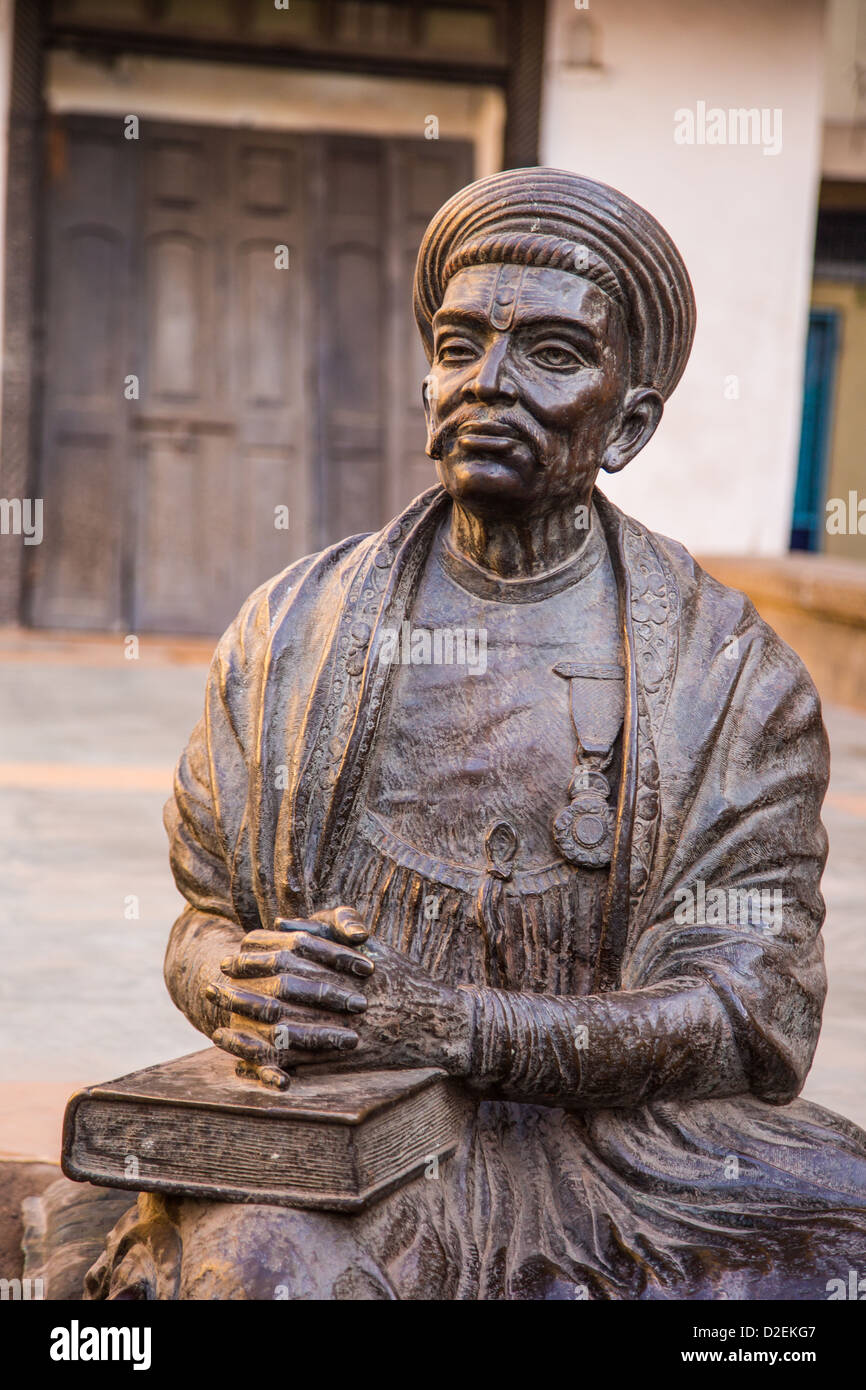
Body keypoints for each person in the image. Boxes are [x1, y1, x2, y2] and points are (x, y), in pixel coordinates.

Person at [88, 168, 866, 1301]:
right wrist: (231, 983)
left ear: (630, 422)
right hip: (342, 1138)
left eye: (551, 355)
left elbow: (754, 1015)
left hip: (624, 1154)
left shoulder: (728, 679)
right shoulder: (289, 632)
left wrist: (452, 1025)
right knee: (262, 1277)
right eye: (459, 346)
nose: (486, 383)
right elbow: (204, 917)